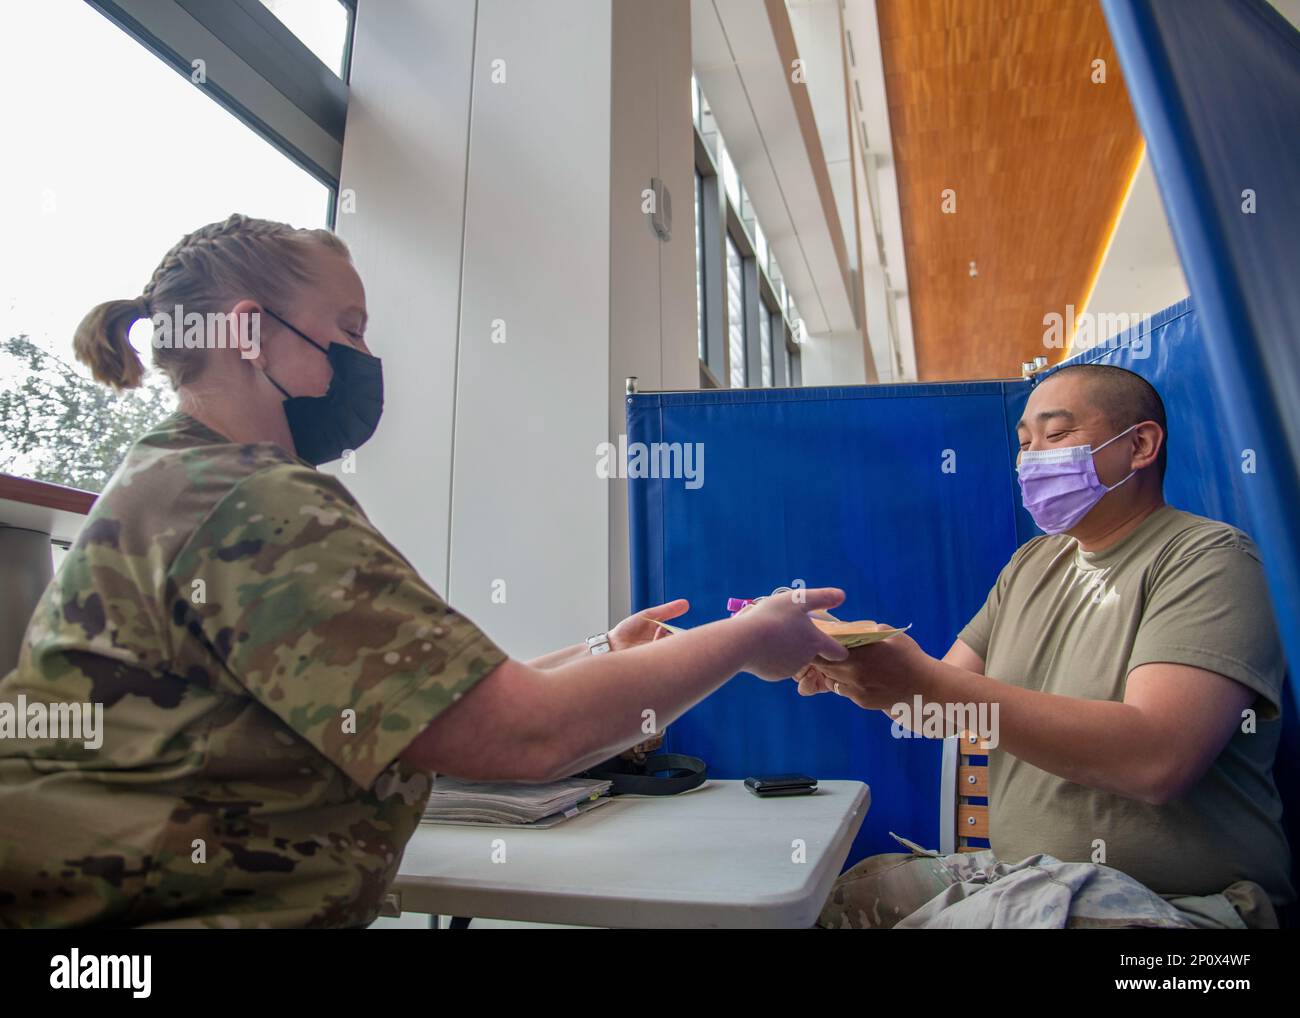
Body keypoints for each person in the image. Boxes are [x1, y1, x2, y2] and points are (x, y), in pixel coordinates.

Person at [0, 213, 849, 929]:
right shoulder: (247, 503)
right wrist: (747, 639)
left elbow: (429, 708)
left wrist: (604, 650)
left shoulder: (183, 479)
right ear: (252, 335)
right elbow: (524, 734)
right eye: (350, 330)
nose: (365, 359)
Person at [802, 364, 1293, 929]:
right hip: (1023, 879)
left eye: (1056, 436)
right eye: (1025, 443)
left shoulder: (1208, 560)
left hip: (1176, 907)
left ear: (1140, 444)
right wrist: (851, 663)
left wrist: (922, 681)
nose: (1032, 458)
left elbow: (1158, 759)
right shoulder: (1032, 564)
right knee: (840, 904)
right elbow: (939, 713)